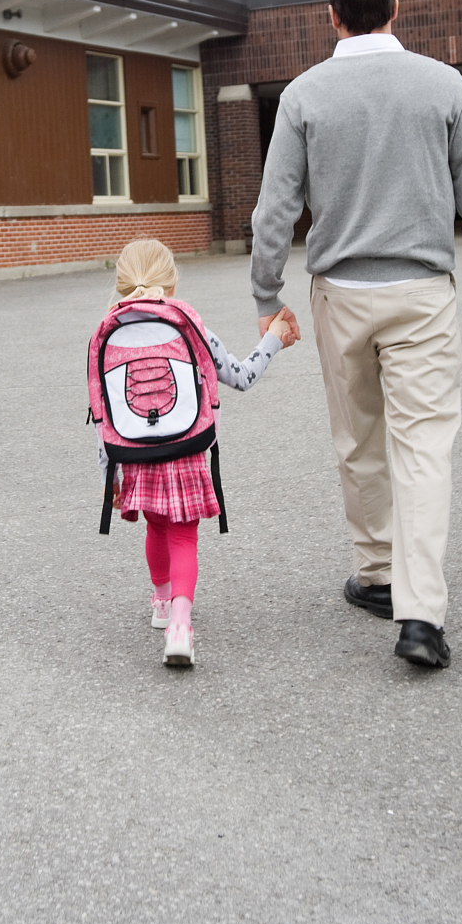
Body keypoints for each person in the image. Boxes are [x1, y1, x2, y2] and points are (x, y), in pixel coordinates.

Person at [250, 0, 462, 670]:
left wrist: (265, 294)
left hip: (340, 290)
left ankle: (375, 573)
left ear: (331, 15)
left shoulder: (304, 95)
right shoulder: (445, 85)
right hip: (422, 289)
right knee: (423, 448)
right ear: (395, 9)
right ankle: (421, 613)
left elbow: (275, 206)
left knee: (357, 436)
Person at [103, 238, 297, 668]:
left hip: (135, 456)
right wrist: (275, 340)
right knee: (183, 535)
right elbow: (240, 377)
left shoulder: (109, 331)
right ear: (170, 282)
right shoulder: (189, 324)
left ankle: (160, 602)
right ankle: (180, 625)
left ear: (121, 284)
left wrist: (109, 478)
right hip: (187, 451)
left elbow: (103, 412)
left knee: (156, 530)